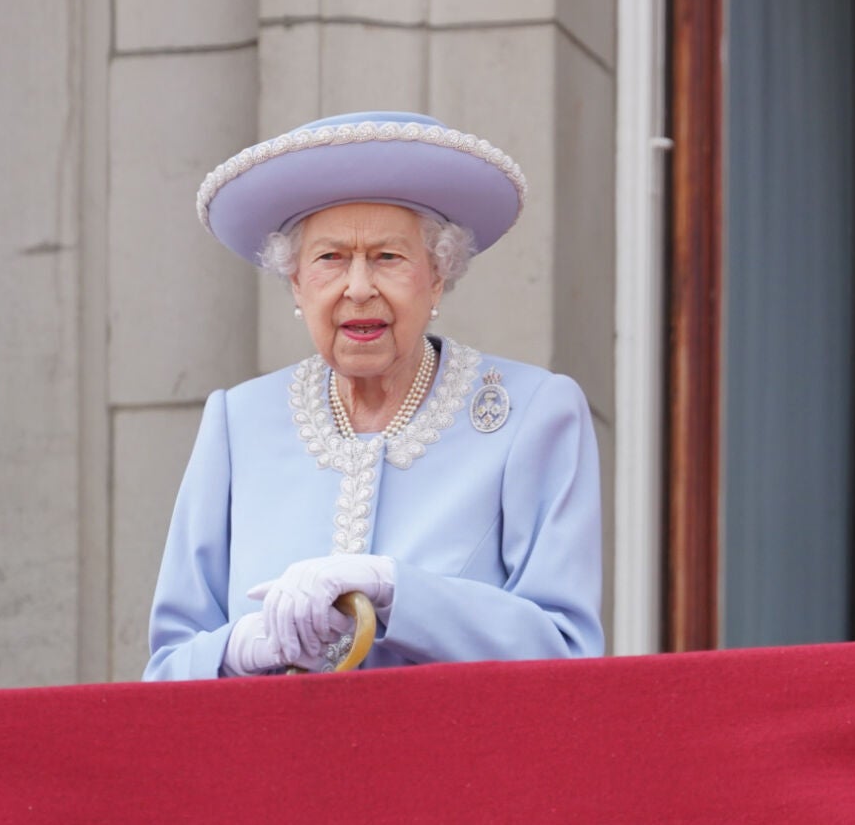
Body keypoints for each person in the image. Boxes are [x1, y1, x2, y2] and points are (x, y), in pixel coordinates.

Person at [145, 111, 603, 678]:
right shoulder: (237, 423)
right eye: (330, 258)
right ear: (295, 283)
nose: (358, 288)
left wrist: (395, 591)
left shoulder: (534, 412)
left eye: (388, 257)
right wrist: (240, 648)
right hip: (276, 762)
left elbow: (566, 652)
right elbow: (166, 669)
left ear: (437, 276)